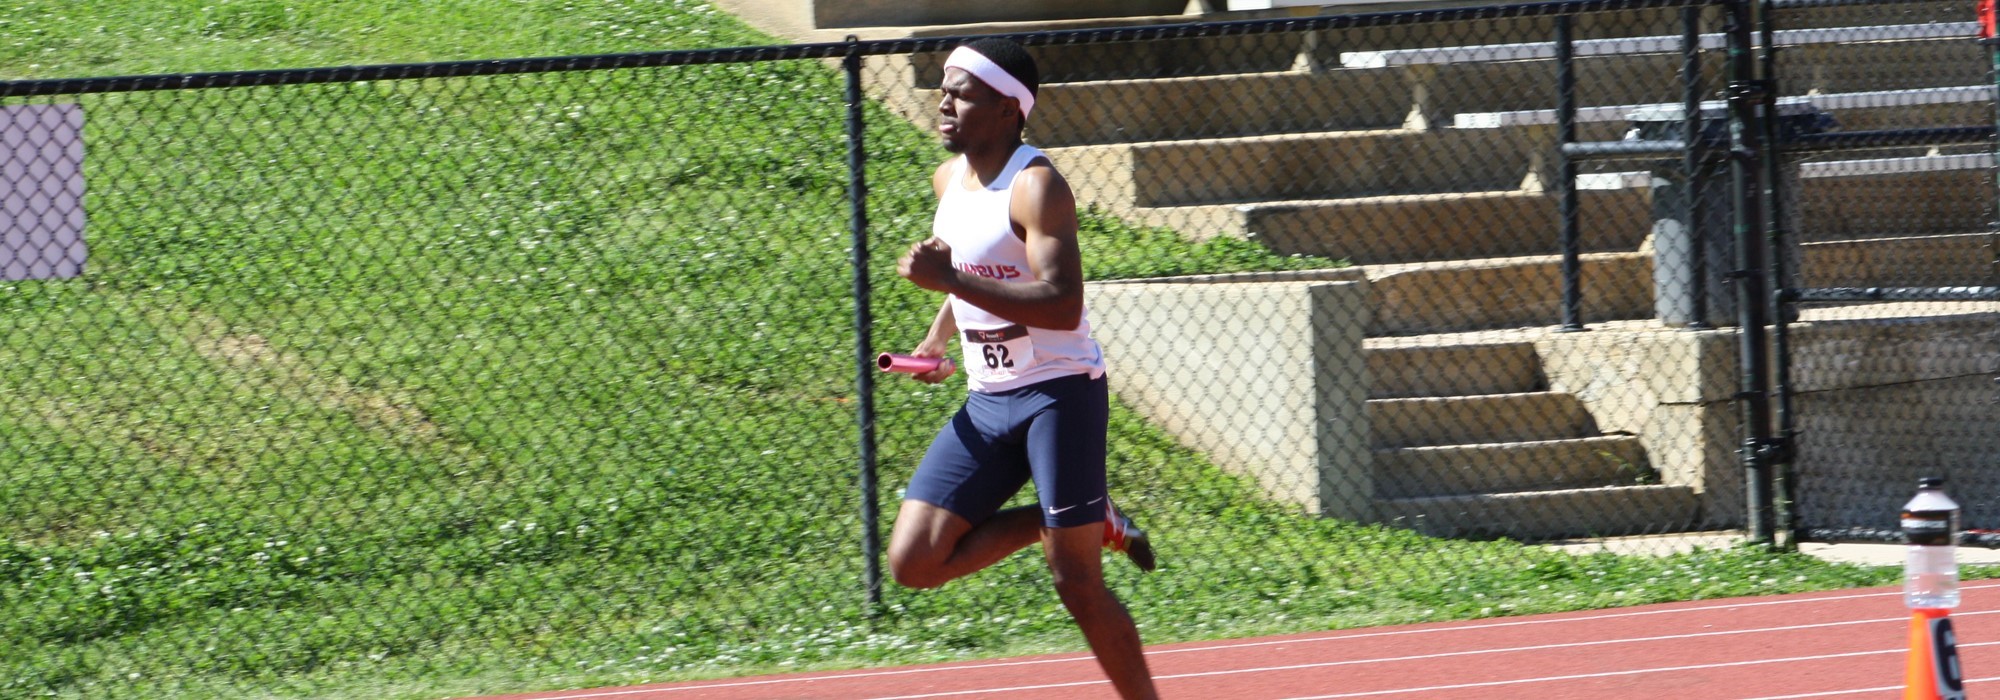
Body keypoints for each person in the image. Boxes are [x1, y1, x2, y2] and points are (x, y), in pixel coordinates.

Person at [887, 37, 1161, 700]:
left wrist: (948, 276)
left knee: (1075, 582)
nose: (943, 101)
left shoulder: (1038, 186)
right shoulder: (948, 181)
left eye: (962, 91)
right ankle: (1077, 515)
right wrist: (934, 339)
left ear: (1010, 107)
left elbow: (1063, 305)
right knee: (914, 562)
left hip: (1057, 396)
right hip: (989, 398)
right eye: (945, 87)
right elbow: (970, 278)